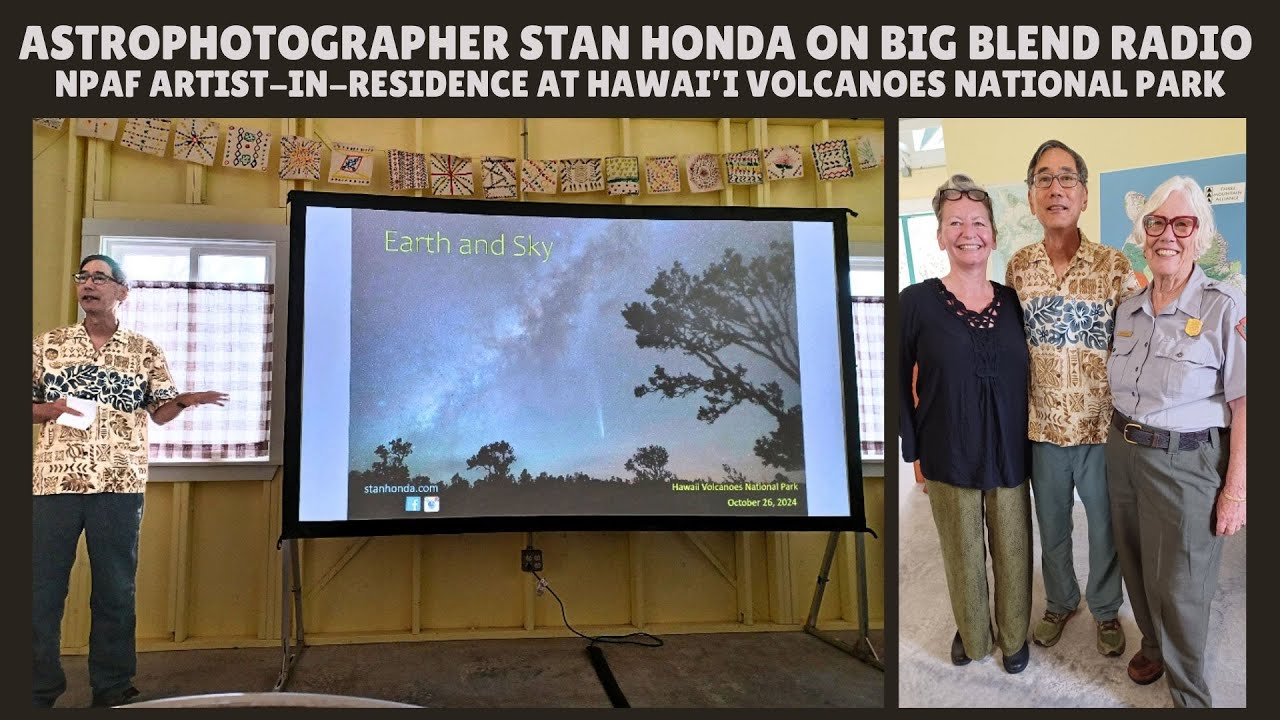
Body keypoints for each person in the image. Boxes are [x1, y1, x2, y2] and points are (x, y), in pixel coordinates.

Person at [32, 255, 229, 708]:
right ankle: (37, 690)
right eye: (83, 276)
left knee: (115, 592)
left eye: (101, 277)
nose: (89, 284)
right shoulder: (49, 345)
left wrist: (184, 401)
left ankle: (113, 688)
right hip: (54, 485)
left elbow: (159, 414)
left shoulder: (144, 350)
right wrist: (51, 410)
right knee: (40, 591)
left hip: (120, 485)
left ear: (122, 292)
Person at [1106, 176, 1245, 708]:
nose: (1167, 235)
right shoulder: (1130, 307)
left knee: (1183, 583)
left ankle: (1189, 695)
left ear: (1200, 237)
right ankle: (1153, 644)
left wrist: (1236, 489)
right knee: (1136, 564)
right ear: (1142, 234)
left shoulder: (1225, 307)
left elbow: (1246, 402)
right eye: (1156, 222)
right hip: (1123, 451)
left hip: (1187, 460)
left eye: (1181, 224)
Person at [1004, 140, 1140, 657]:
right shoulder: (1019, 267)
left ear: (1083, 195)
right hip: (1040, 427)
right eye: (1044, 178)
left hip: (1100, 427)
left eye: (1066, 179)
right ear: (1033, 196)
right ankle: (1061, 602)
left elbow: (1142, 335)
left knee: (1106, 528)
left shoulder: (1113, 265)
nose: (1055, 188)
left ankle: (1106, 609)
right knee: (1052, 525)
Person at [901, 174, 1033, 674]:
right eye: (954, 222)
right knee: (962, 553)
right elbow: (896, 376)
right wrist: (910, 443)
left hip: (1010, 450)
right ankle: (974, 634)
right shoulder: (914, 301)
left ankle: (1015, 636)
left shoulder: (1016, 302)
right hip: (946, 447)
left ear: (994, 234)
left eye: (978, 221)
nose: (967, 231)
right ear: (939, 235)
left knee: (1014, 549)